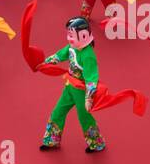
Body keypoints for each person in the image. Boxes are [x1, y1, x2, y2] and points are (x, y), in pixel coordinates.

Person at [39, 15, 108, 152]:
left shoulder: (88, 55)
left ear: (83, 36)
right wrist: (44, 63)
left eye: (71, 35)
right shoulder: (72, 47)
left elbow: (91, 78)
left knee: (84, 117)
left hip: (82, 91)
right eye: (68, 34)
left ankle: (96, 143)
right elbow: (59, 55)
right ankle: (52, 140)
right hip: (69, 87)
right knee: (58, 111)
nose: (69, 38)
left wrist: (89, 98)